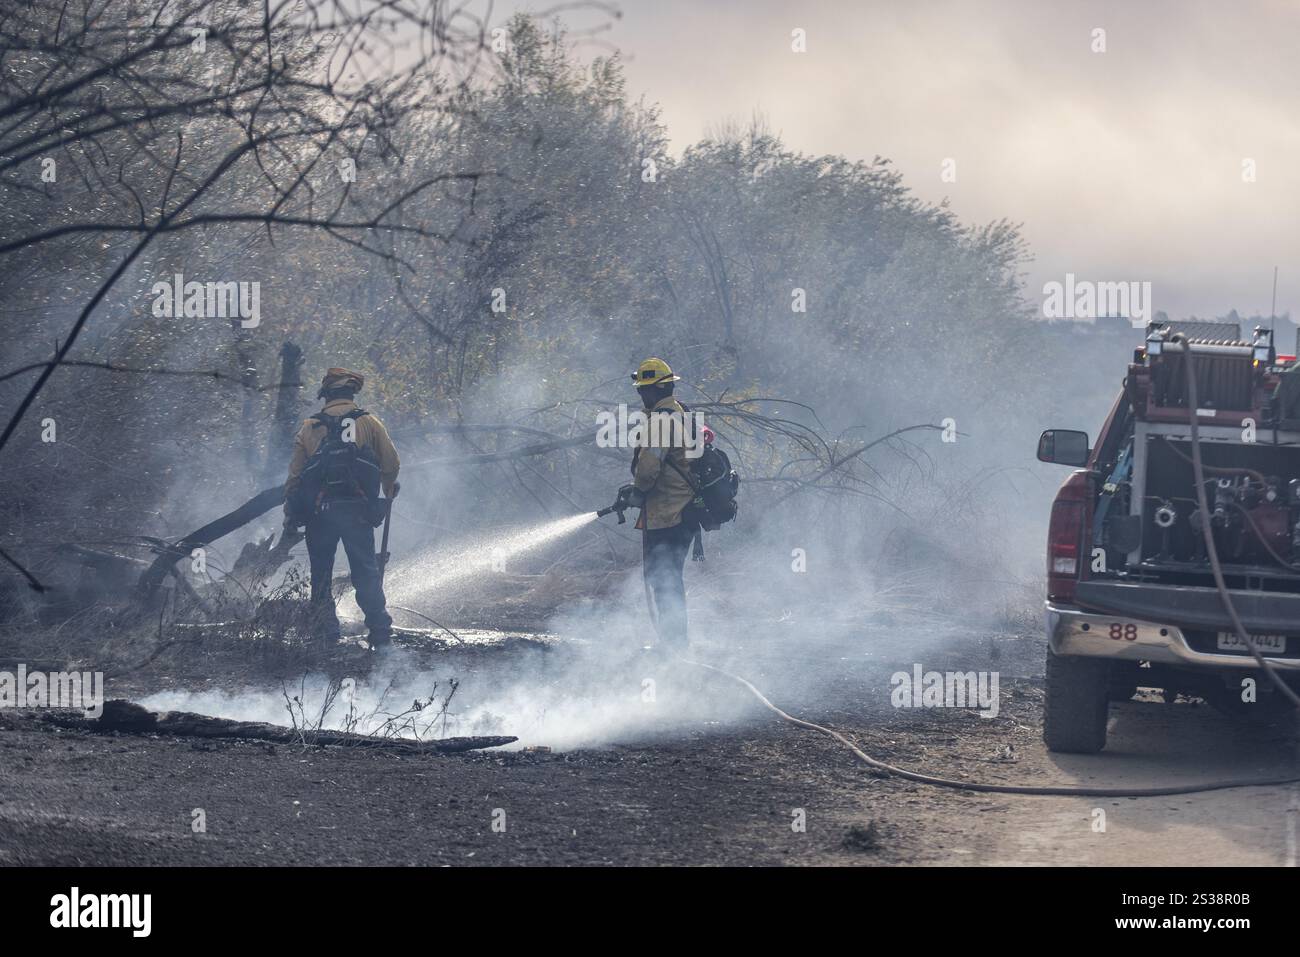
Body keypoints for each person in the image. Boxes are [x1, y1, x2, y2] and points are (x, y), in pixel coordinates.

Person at [283, 367, 400, 647]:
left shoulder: (309, 426)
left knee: (320, 573)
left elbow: (295, 477)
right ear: (351, 393)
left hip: (319, 514)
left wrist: (291, 513)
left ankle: (326, 633)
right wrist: (387, 489)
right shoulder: (369, 421)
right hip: (357, 511)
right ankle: (379, 631)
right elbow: (391, 463)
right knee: (365, 569)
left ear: (326, 395)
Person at [629, 357, 698, 650]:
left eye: (643, 390)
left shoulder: (661, 420)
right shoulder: (677, 412)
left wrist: (637, 491)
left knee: (665, 580)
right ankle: (673, 643)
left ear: (656, 390)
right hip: (681, 511)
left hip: (669, 513)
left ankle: (674, 647)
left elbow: (648, 469)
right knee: (668, 578)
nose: (641, 395)